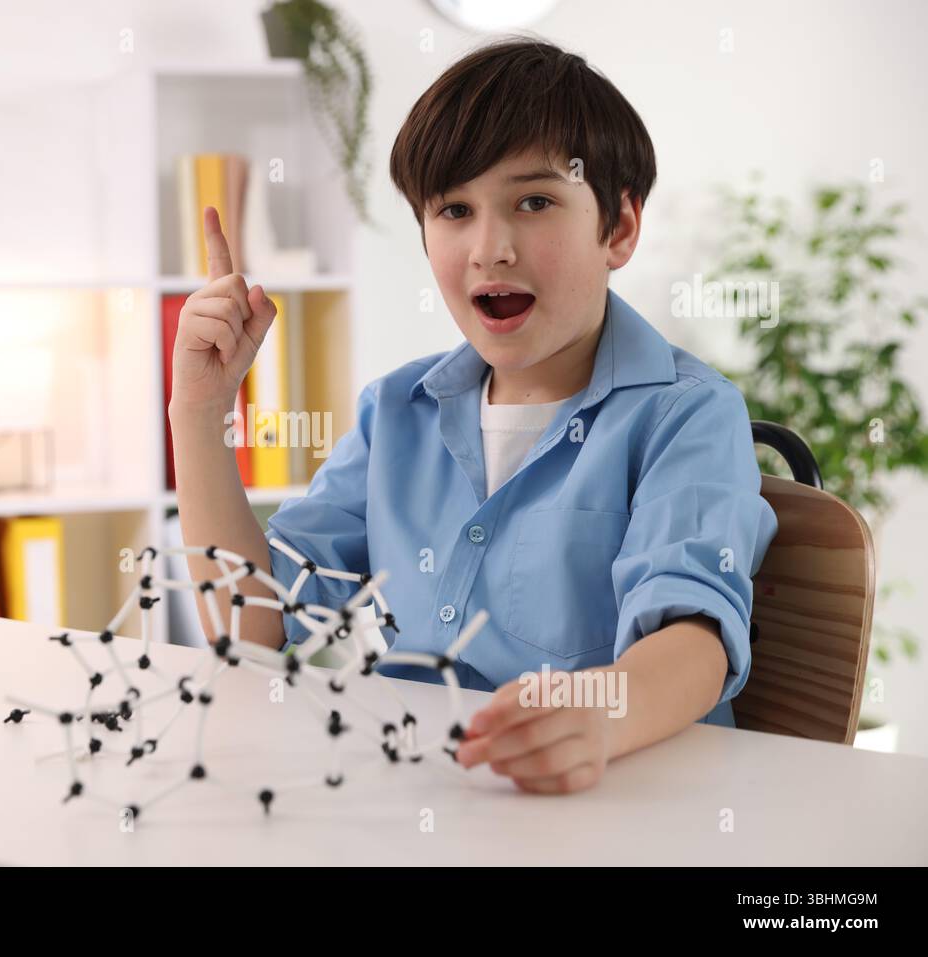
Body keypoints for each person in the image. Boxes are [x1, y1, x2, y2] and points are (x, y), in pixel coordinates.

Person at [167, 36, 778, 794]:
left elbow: (695, 637)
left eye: (535, 201)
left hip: (615, 817)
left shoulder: (686, 414)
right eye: (454, 208)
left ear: (618, 227)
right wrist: (199, 414)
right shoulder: (396, 412)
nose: (491, 248)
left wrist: (597, 710)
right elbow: (252, 628)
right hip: (420, 805)